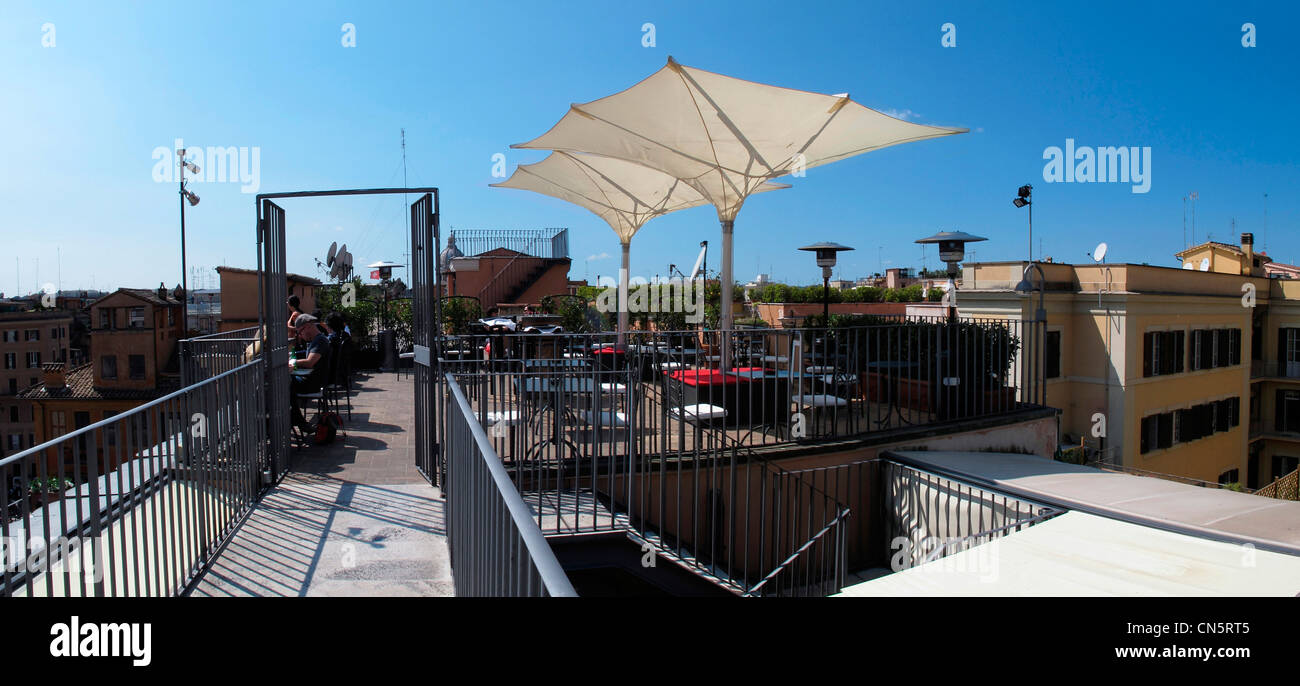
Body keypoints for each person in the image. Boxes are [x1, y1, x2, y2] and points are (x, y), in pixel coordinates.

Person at [288, 314, 332, 435]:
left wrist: (293, 362)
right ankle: (297, 420)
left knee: (285, 385)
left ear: (307, 327)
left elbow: (310, 362)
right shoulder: (318, 340)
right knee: (286, 384)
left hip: (313, 383)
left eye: (300, 332)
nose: (300, 336)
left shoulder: (320, 341)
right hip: (314, 380)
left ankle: (297, 420)